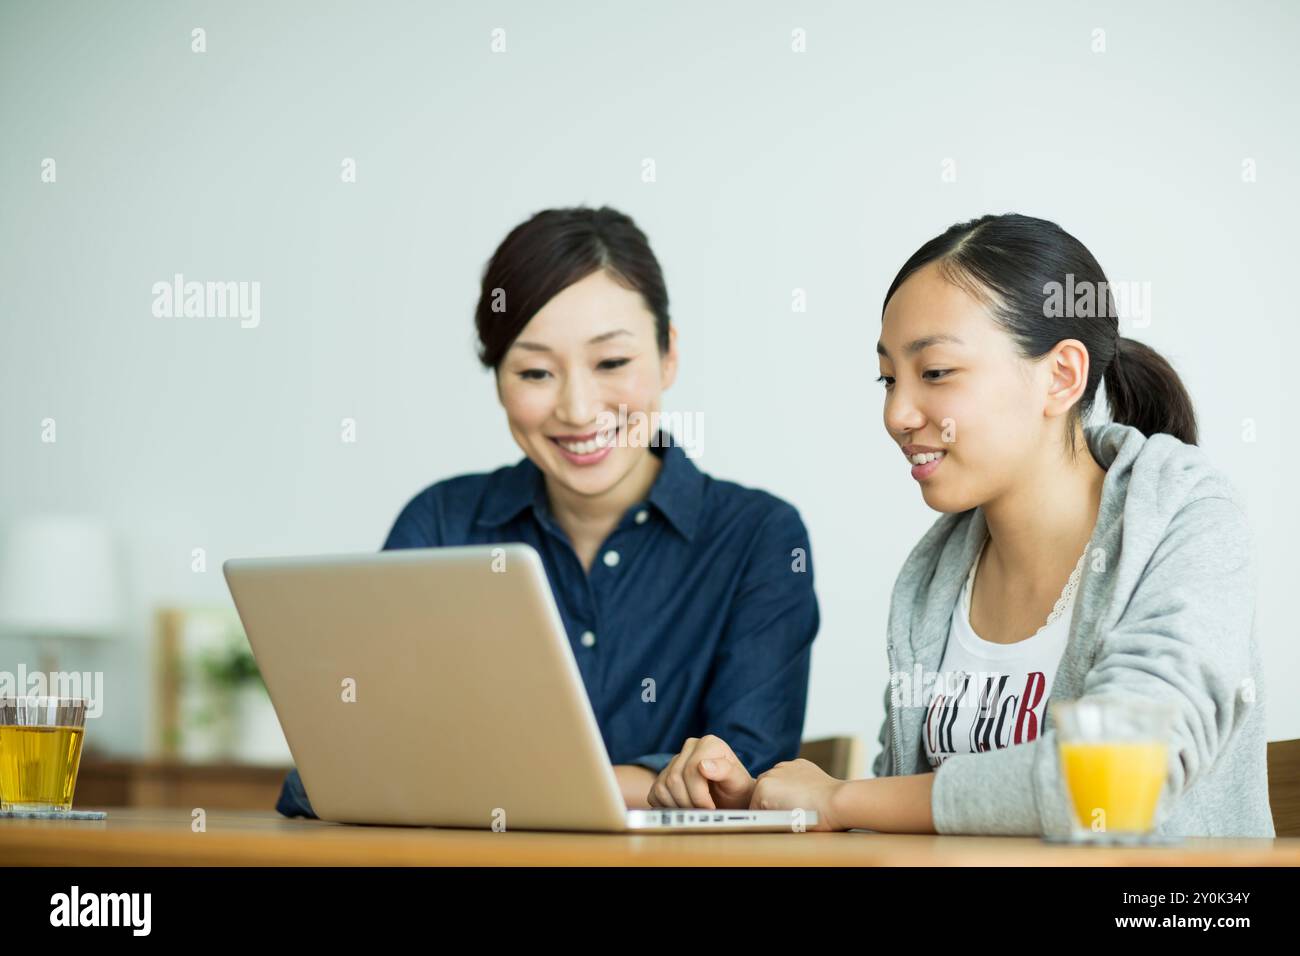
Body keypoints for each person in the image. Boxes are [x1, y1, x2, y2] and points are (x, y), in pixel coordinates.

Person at [648, 213, 1274, 839]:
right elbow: (913, 815)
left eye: (936, 373)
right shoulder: (935, 577)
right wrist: (766, 799)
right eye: (888, 378)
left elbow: (1116, 777)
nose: (897, 413)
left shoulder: (1182, 520)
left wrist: (841, 800)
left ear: (1060, 376)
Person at [275, 205, 819, 818]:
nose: (580, 409)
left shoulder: (760, 537)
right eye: (535, 371)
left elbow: (746, 783)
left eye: (611, 363)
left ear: (668, 354)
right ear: (497, 378)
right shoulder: (441, 525)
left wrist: (478, 785)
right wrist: (649, 783)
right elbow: (339, 766)